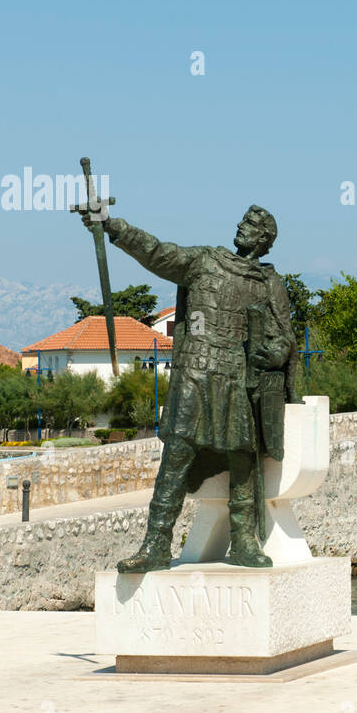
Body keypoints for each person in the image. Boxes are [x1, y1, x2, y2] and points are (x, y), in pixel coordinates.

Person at [88, 204, 298, 572]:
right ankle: (155, 544)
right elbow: (154, 251)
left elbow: (285, 338)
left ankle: (245, 540)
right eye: (243, 220)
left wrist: (273, 354)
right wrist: (112, 226)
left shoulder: (268, 284)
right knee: (175, 458)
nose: (240, 225)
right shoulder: (204, 261)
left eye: (249, 224)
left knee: (242, 458)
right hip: (195, 374)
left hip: (236, 376)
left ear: (263, 240)